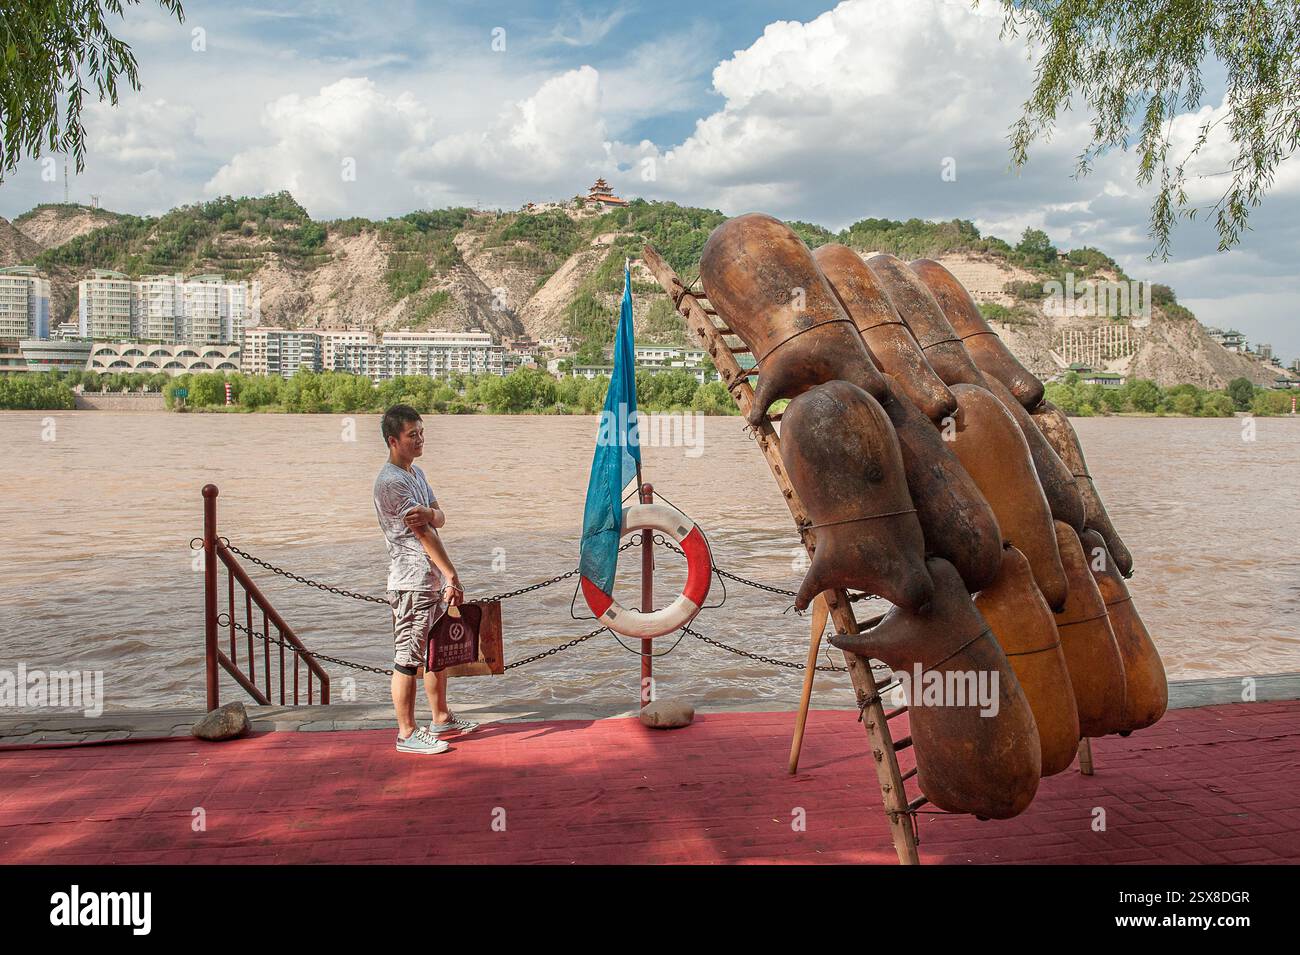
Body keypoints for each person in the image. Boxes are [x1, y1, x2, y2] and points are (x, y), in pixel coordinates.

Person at [374, 404, 479, 754]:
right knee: (407, 657)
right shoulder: (391, 482)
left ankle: (441, 717)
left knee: (436, 653)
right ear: (393, 441)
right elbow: (424, 534)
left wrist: (433, 513)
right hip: (411, 580)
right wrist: (452, 574)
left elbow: (440, 517)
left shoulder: (416, 473)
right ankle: (406, 733)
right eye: (412, 435)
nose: (420, 440)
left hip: (428, 579)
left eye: (422, 432)